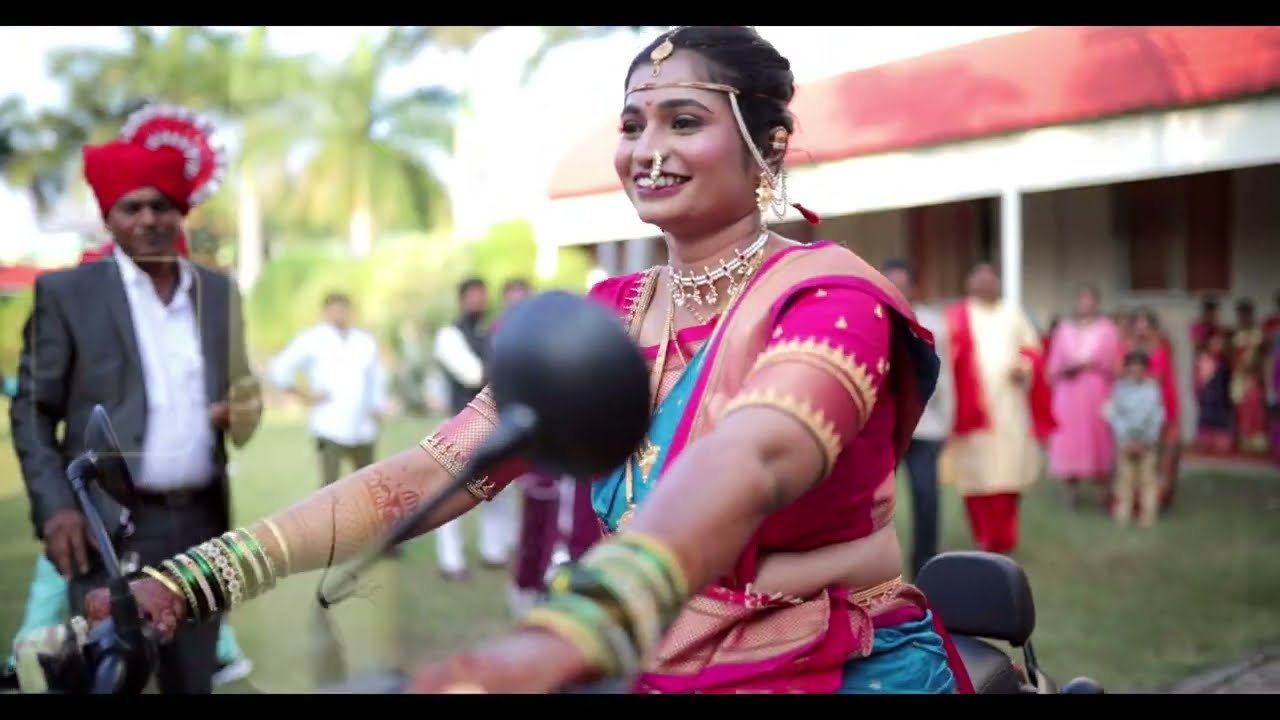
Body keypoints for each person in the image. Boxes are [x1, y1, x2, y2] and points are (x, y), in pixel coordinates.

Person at [88, 26, 974, 694]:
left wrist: (579, 627)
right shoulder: (610, 315)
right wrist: (204, 573)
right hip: (652, 657)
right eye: (634, 123)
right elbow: (442, 466)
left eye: (686, 120)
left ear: (768, 147)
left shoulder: (830, 297)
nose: (648, 148)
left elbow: (755, 454)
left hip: (836, 666)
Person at [10, 103, 262, 694]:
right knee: (110, 679)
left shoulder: (219, 294)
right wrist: (56, 508)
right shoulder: (69, 294)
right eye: (133, 207)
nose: (149, 219)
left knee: (193, 677)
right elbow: (32, 411)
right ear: (110, 216)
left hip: (202, 524)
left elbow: (243, 398)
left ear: (182, 211)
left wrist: (243, 411)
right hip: (108, 530)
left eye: (162, 205)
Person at [938, 262, 1055, 554]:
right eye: (979, 279)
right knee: (976, 479)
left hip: (1010, 411)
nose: (986, 284)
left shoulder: (1013, 314)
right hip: (971, 414)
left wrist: (1024, 368)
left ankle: (1004, 538)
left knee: (1007, 475)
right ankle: (983, 536)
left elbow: (1033, 350)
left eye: (991, 279)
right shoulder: (954, 317)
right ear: (969, 284)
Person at [505, 278, 604, 616]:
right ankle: (528, 594)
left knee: (580, 536)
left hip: (583, 475)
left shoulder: (596, 361)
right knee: (537, 533)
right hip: (545, 469)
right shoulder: (534, 361)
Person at [432, 276, 517, 581]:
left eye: (483, 296)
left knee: (497, 488)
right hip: (460, 423)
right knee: (449, 495)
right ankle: (450, 560)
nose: (479, 302)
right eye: (473, 296)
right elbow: (472, 375)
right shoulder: (448, 335)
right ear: (462, 299)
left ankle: (494, 550)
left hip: (493, 422)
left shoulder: (492, 333)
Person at [882, 258, 953, 579]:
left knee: (927, 499)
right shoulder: (871, 318)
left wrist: (948, 421)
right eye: (890, 281)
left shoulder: (932, 324)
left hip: (925, 428)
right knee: (874, 505)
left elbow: (946, 377)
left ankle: (925, 571)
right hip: (884, 429)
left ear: (913, 287)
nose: (897, 288)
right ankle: (877, 572)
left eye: (902, 283)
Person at [1046, 285, 1120, 508]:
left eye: (1090, 300)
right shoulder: (1064, 330)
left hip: (1096, 391)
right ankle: (1071, 492)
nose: (1085, 304)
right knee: (1069, 437)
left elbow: (1114, 361)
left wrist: (1093, 363)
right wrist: (1067, 367)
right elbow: (1053, 364)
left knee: (1098, 436)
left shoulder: (1107, 329)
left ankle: (1102, 492)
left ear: (1096, 304)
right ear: (1076, 303)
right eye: (1082, 300)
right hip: (1069, 392)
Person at [1121, 309, 1181, 511]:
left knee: (1166, 452)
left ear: (1153, 327)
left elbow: (1158, 377)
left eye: (1145, 324)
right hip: (1137, 409)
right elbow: (1120, 373)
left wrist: (1136, 376)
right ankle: (1137, 500)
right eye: (1137, 324)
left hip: (1163, 405)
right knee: (1140, 453)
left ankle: (1163, 497)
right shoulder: (1126, 347)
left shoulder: (1161, 347)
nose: (1141, 329)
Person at [1104, 351, 1166, 527]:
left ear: (1145, 370)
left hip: (1146, 442)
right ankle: (1123, 512)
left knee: (1147, 479)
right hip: (1126, 441)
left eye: (1140, 368)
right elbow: (1115, 414)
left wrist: (1147, 440)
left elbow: (1157, 415)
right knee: (1125, 479)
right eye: (1132, 368)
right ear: (1127, 369)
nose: (1136, 371)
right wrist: (1125, 439)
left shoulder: (1152, 389)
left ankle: (1148, 515)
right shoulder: (1120, 388)